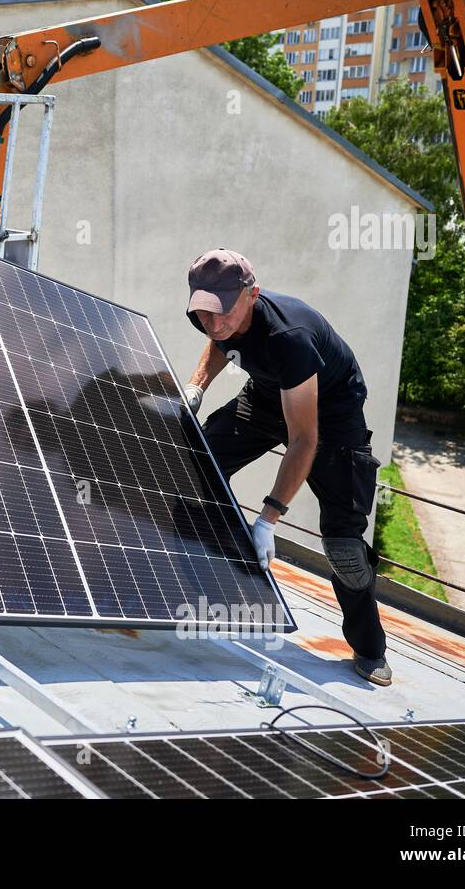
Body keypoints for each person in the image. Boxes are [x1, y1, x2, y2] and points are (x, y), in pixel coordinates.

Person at [182, 249, 391, 685]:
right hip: (268, 394)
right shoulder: (224, 316)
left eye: (222, 312)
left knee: (345, 549)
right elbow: (221, 339)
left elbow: (304, 439)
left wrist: (268, 518)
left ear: (252, 295)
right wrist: (197, 386)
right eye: (204, 313)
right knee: (195, 465)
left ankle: (370, 649)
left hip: (331, 419)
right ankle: (207, 587)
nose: (214, 323)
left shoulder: (288, 337)